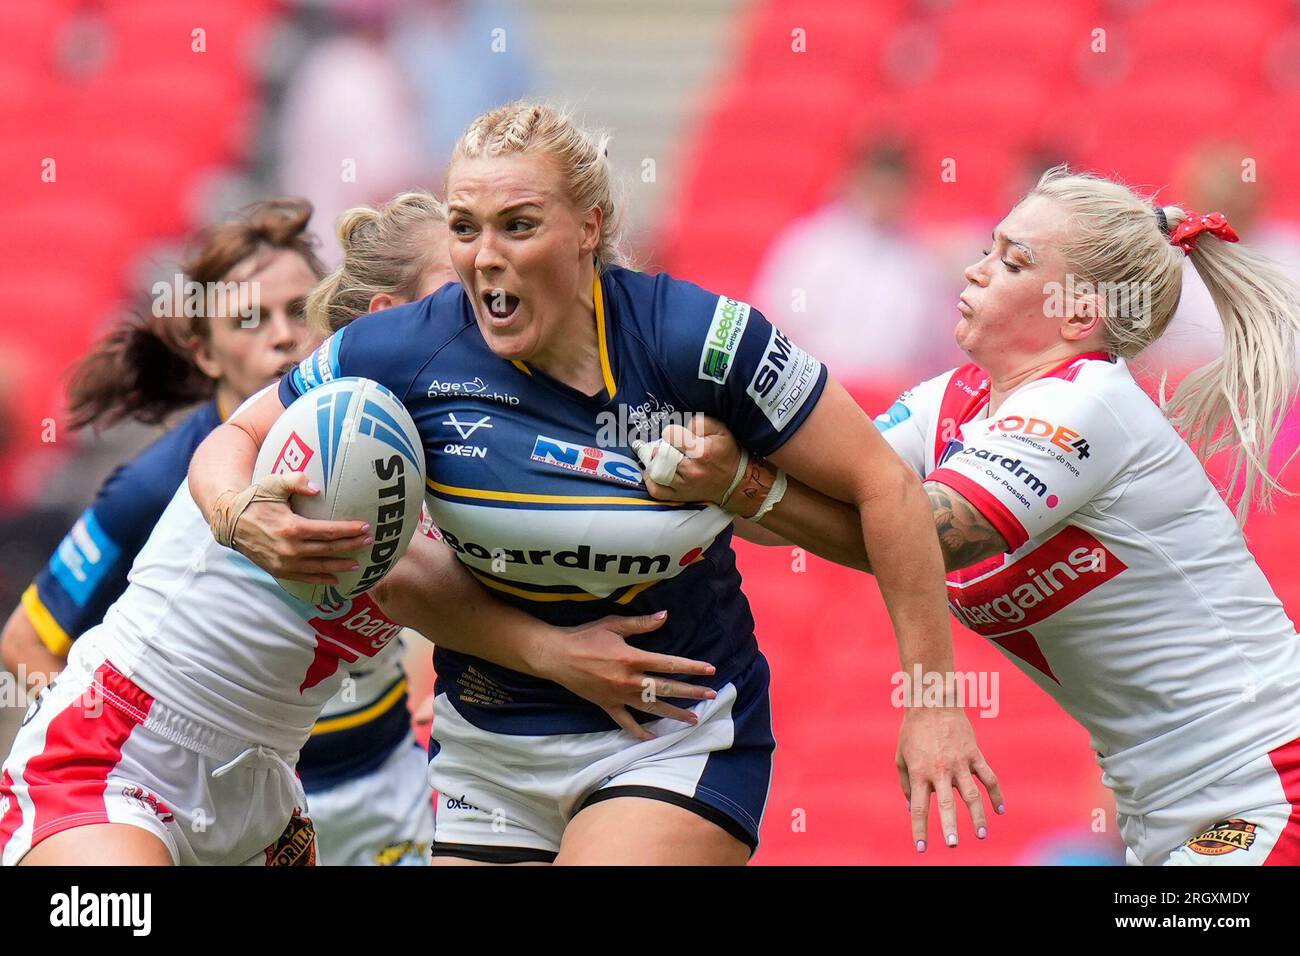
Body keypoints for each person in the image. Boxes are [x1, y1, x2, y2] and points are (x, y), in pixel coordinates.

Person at [187, 101, 1003, 865]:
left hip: (675, 737)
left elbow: (886, 489)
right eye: (466, 228)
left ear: (591, 227)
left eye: (519, 225)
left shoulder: (700, 341)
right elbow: (235, 435)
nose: (486, 257)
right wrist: (236, 513)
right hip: (490, 751)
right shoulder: (409, 350)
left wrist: (932, 702)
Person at [646, 165, 1300, 866]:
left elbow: (922, 532)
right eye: (989, 247)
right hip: (1159, 811)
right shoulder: (947, 403)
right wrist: (712, 466)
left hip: (1271, 783)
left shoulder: (1086, 404)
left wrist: (743, 484)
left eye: (1013, 261)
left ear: (1079, 315)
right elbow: (788, 513)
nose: (975, 269)